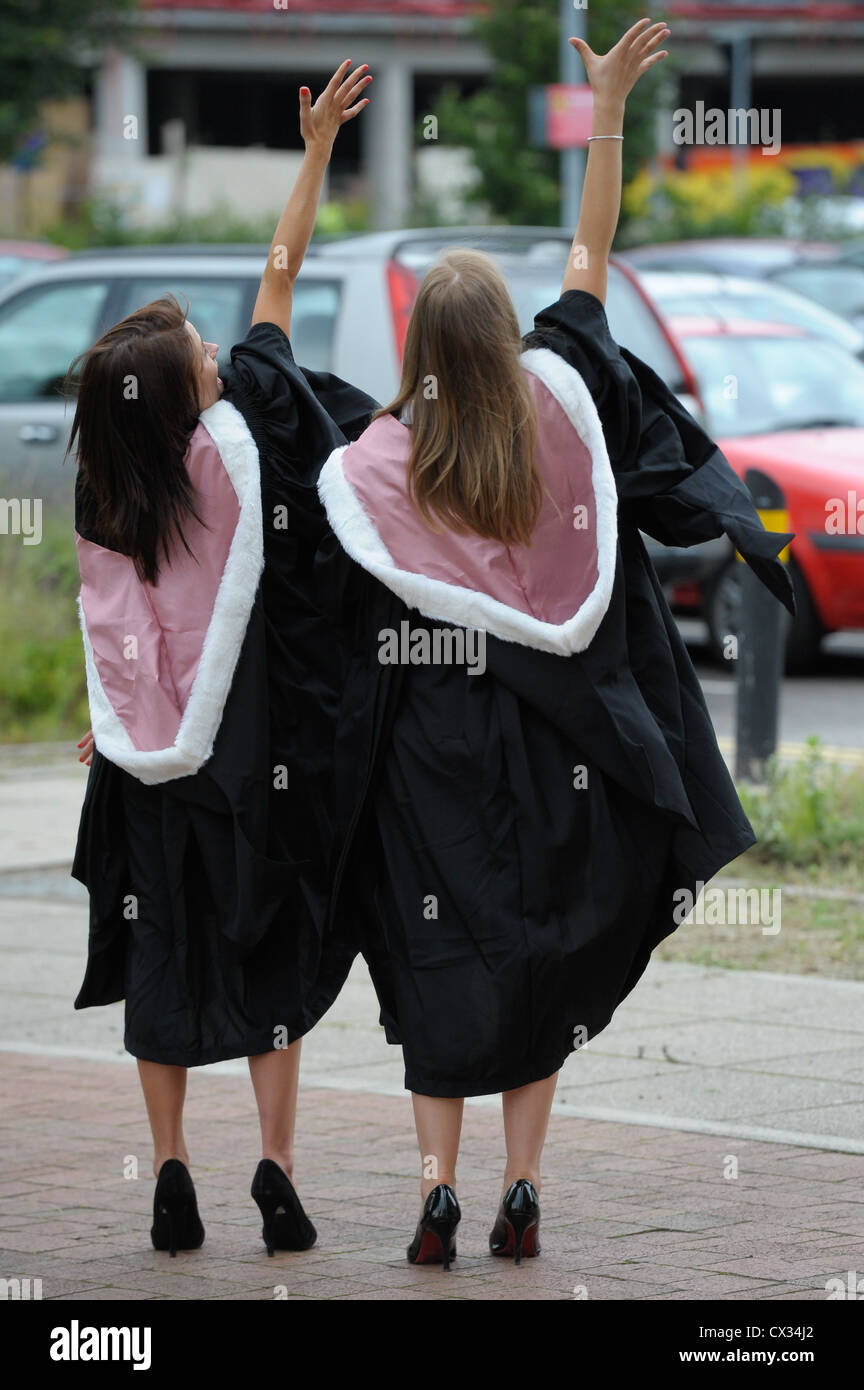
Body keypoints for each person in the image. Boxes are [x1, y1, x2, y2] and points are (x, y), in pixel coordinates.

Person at [313, 19, 795, 1269]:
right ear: (504, 348)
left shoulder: (370, 469)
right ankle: (525, 1191)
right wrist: (613, 110)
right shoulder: (561, 411)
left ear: (417, 351)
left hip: (433, 749)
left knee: (438, 962)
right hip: (552, 743)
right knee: (533, 969)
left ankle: (438, 1189)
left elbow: (329, 623)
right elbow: (592, 255)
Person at [69, 60, 376, 1257]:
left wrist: (115, 719)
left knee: (165, 951)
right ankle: (275, 1166)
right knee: (270, 942)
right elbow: (282, 274)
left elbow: (108, 630)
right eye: (198, 345)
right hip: (249, 765)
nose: (213, 347)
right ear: (190, 388)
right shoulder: (243, 430)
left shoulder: (109, 491)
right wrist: (313, 155)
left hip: (143, 769)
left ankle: (171, 1172)